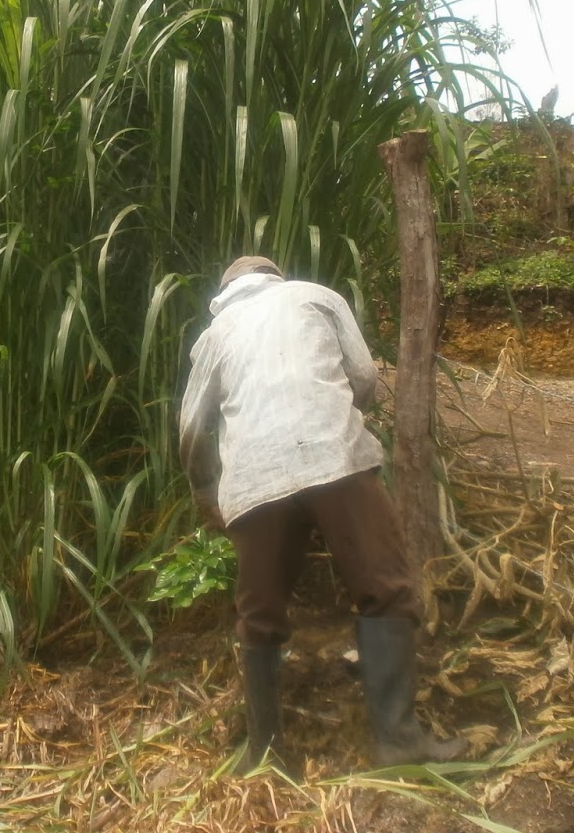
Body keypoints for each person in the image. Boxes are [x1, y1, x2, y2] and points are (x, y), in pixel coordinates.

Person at [178, 255, 465, 770]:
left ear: (226, 293)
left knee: (258, 614)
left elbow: (191, 429)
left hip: (255, 478)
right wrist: (328, 410)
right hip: (333, 455)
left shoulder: (214, 336)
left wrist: (206, 491)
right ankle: (397, 740)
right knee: (384, 586)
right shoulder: (315, 296)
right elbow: (364, 378)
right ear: (273, 276)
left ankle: (264, 753)